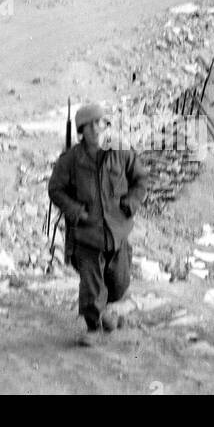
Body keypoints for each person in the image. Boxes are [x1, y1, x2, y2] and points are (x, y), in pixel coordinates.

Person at [47, 104, 148, 337]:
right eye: (89, 125)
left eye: (99, 123)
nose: (95, 129)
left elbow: (141, 179)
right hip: (87, 234)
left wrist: (130, 204)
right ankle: (93, 327)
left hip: (117, 232)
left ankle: (108, 312)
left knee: (119, 284)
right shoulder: (71, 159)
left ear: (106, 125)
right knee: (92, 285)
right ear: (81, 131)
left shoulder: (120, 151)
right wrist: (74, 210)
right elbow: (56, 189)